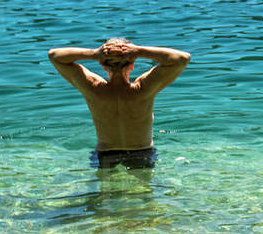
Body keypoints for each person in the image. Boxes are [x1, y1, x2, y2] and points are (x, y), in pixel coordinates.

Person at [48, 38, 191, 168]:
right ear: (132, 65)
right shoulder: (143, 89)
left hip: (106, 154)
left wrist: (95, 54)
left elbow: (54, 55)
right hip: (141, 152)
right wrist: (138, 50)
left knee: (105, 189)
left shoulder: (93, 88)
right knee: (143, 189)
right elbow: (182, 58)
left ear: (103, 66)